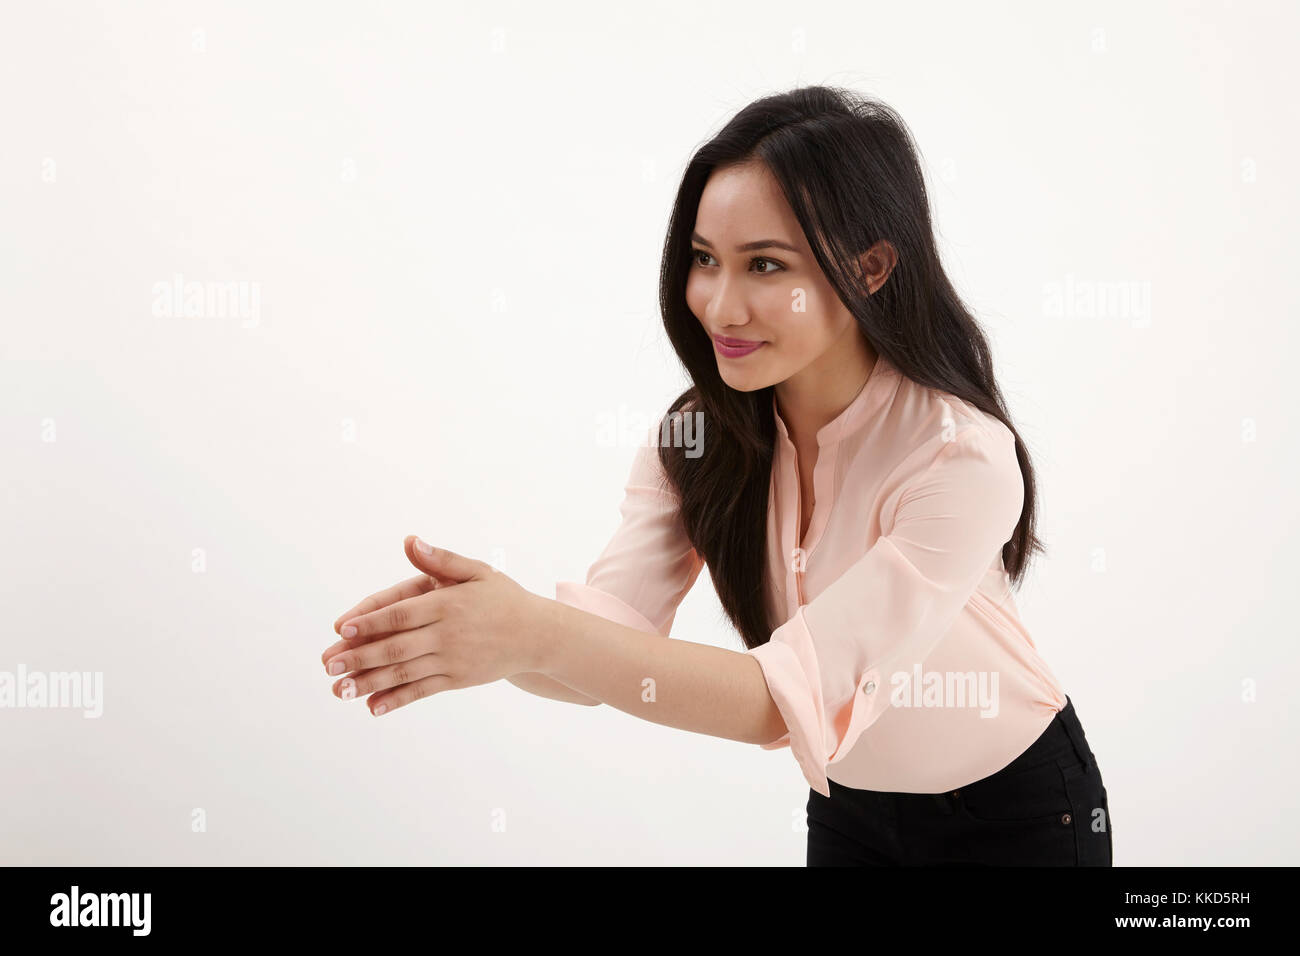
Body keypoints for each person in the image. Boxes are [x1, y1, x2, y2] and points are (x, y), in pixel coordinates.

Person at [321, 85, 1112, 866]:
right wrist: (485, 632)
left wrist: (534, 632)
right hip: (850, 808)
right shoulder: (697, 438)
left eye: (765, 266)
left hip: (1019, 816)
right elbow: (605, 651)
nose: (720, 306)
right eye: (704, 260)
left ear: (870, 268)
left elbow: (781, 701)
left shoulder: (959, 454)